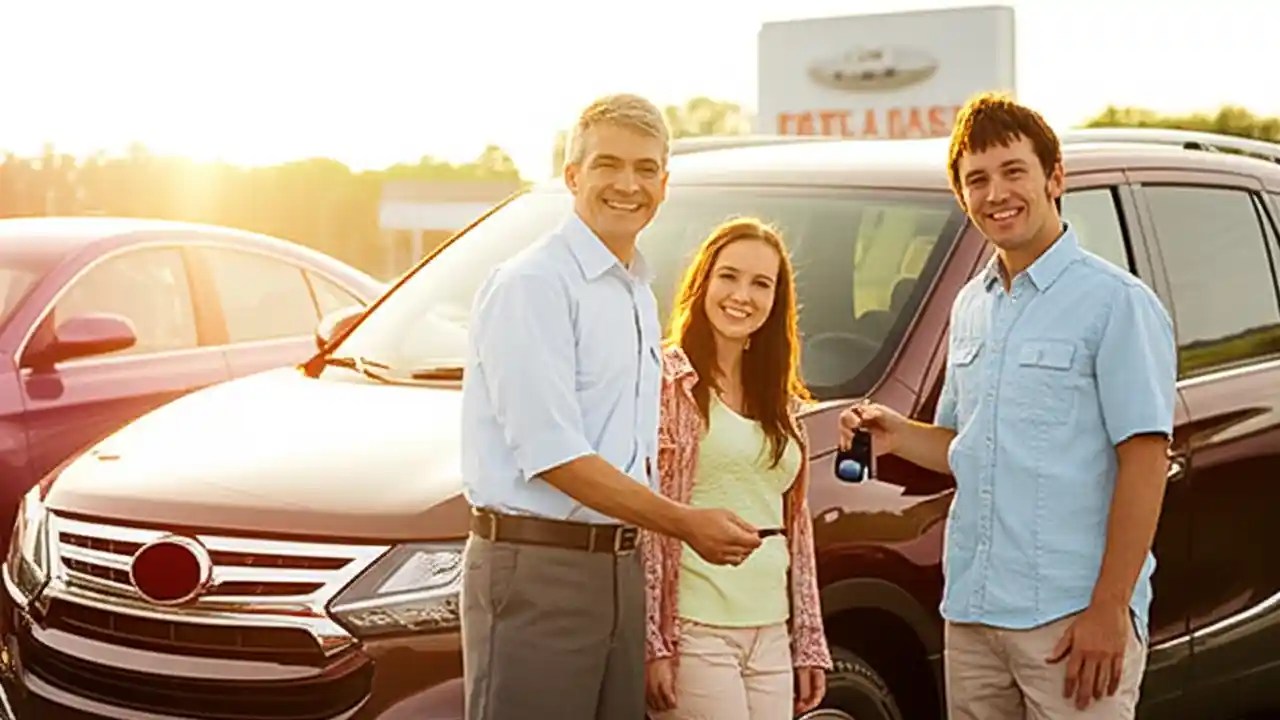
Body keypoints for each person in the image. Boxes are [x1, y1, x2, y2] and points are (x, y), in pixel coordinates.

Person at [837, 92, 1176, 719]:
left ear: (1054, 177)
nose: (997, 193)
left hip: (1070, 620)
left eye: (1013, 171)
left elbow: (1146, 463)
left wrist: (1109, 610)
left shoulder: (1115, 304)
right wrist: (896, 433)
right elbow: (964, 448)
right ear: (963, 196)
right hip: (971, 617)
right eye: (977, 180)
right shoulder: (972, 306)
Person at [459, 93, 764, 720]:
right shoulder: (534, 284)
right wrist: (684, 522)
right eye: (608, 165)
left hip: (621, 570)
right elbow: (553, 455)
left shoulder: (635, 292)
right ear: (573, 176)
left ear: (664, 184)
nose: (628, 185)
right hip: (538, 570)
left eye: (646, 169)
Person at [642, 217, 833, 720]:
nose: (742, 295)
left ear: (776, 301)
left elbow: (797, 526)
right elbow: (646, 515)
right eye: (729, 276)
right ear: (703, 281)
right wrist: (654, 643)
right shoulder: (668, 382)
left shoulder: (783, 401)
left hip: (771, 631)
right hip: (695, 626)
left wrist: (808, 640)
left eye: (761, 283)